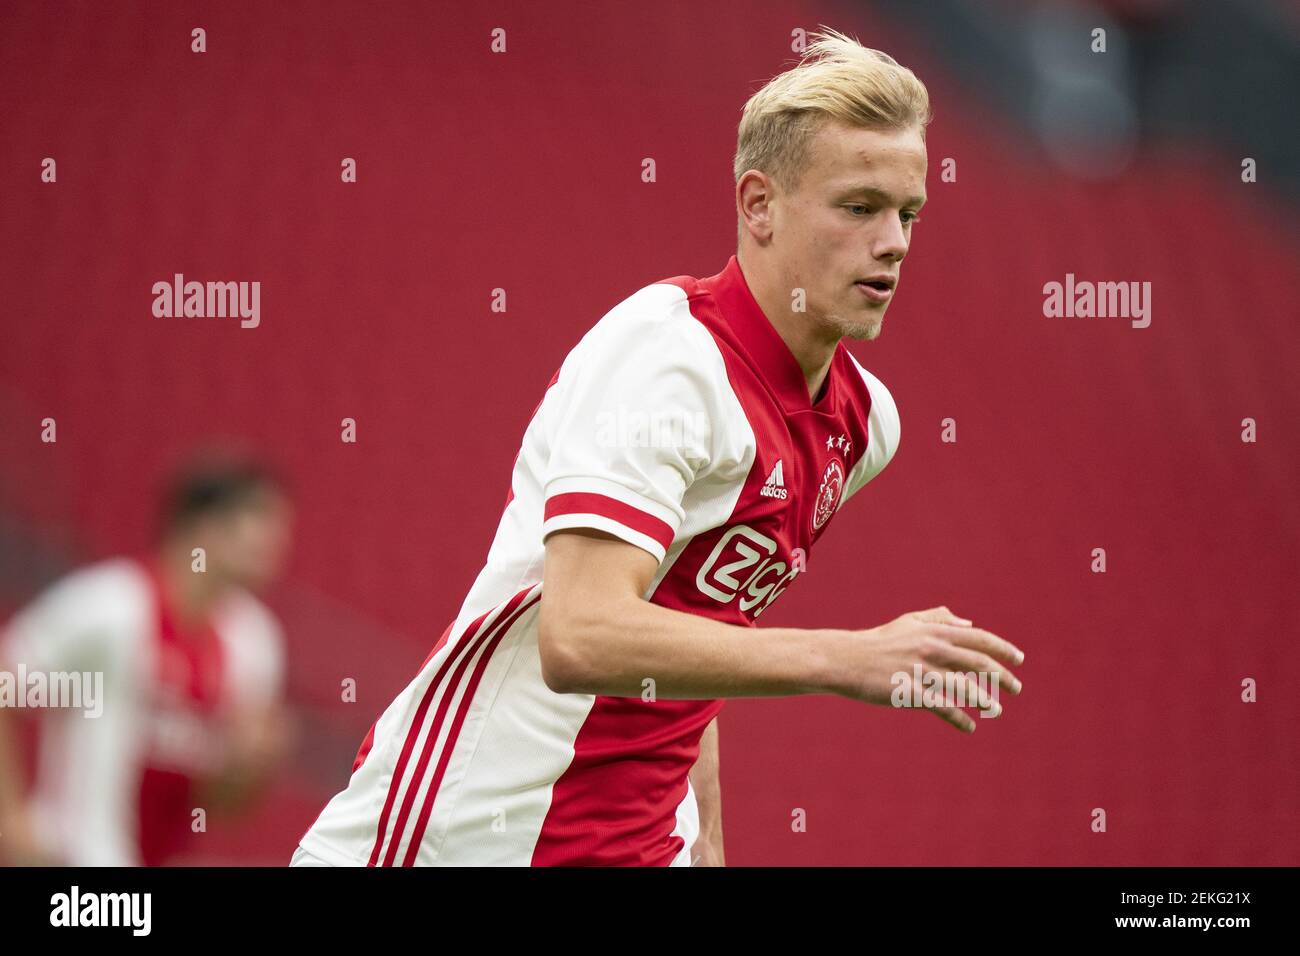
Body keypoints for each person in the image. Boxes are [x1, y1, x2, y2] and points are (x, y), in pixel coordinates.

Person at [294, 26, 1023, 869]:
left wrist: (707, 839)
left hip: (636, 846)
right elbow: (583, 636)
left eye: (908, 212)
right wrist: (845, 657)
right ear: (759, 205)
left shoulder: (866, 425)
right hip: (466, 837)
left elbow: (703, 627)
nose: (894, 241)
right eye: (859, 207)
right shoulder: (665, 360)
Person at [0, 454, 293, 865]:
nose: (276, 539)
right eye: (260, 519)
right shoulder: (109, 606)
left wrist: (246, 768)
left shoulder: (253, 640)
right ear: (203, 526)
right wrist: (9, 821)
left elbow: (221, 803)